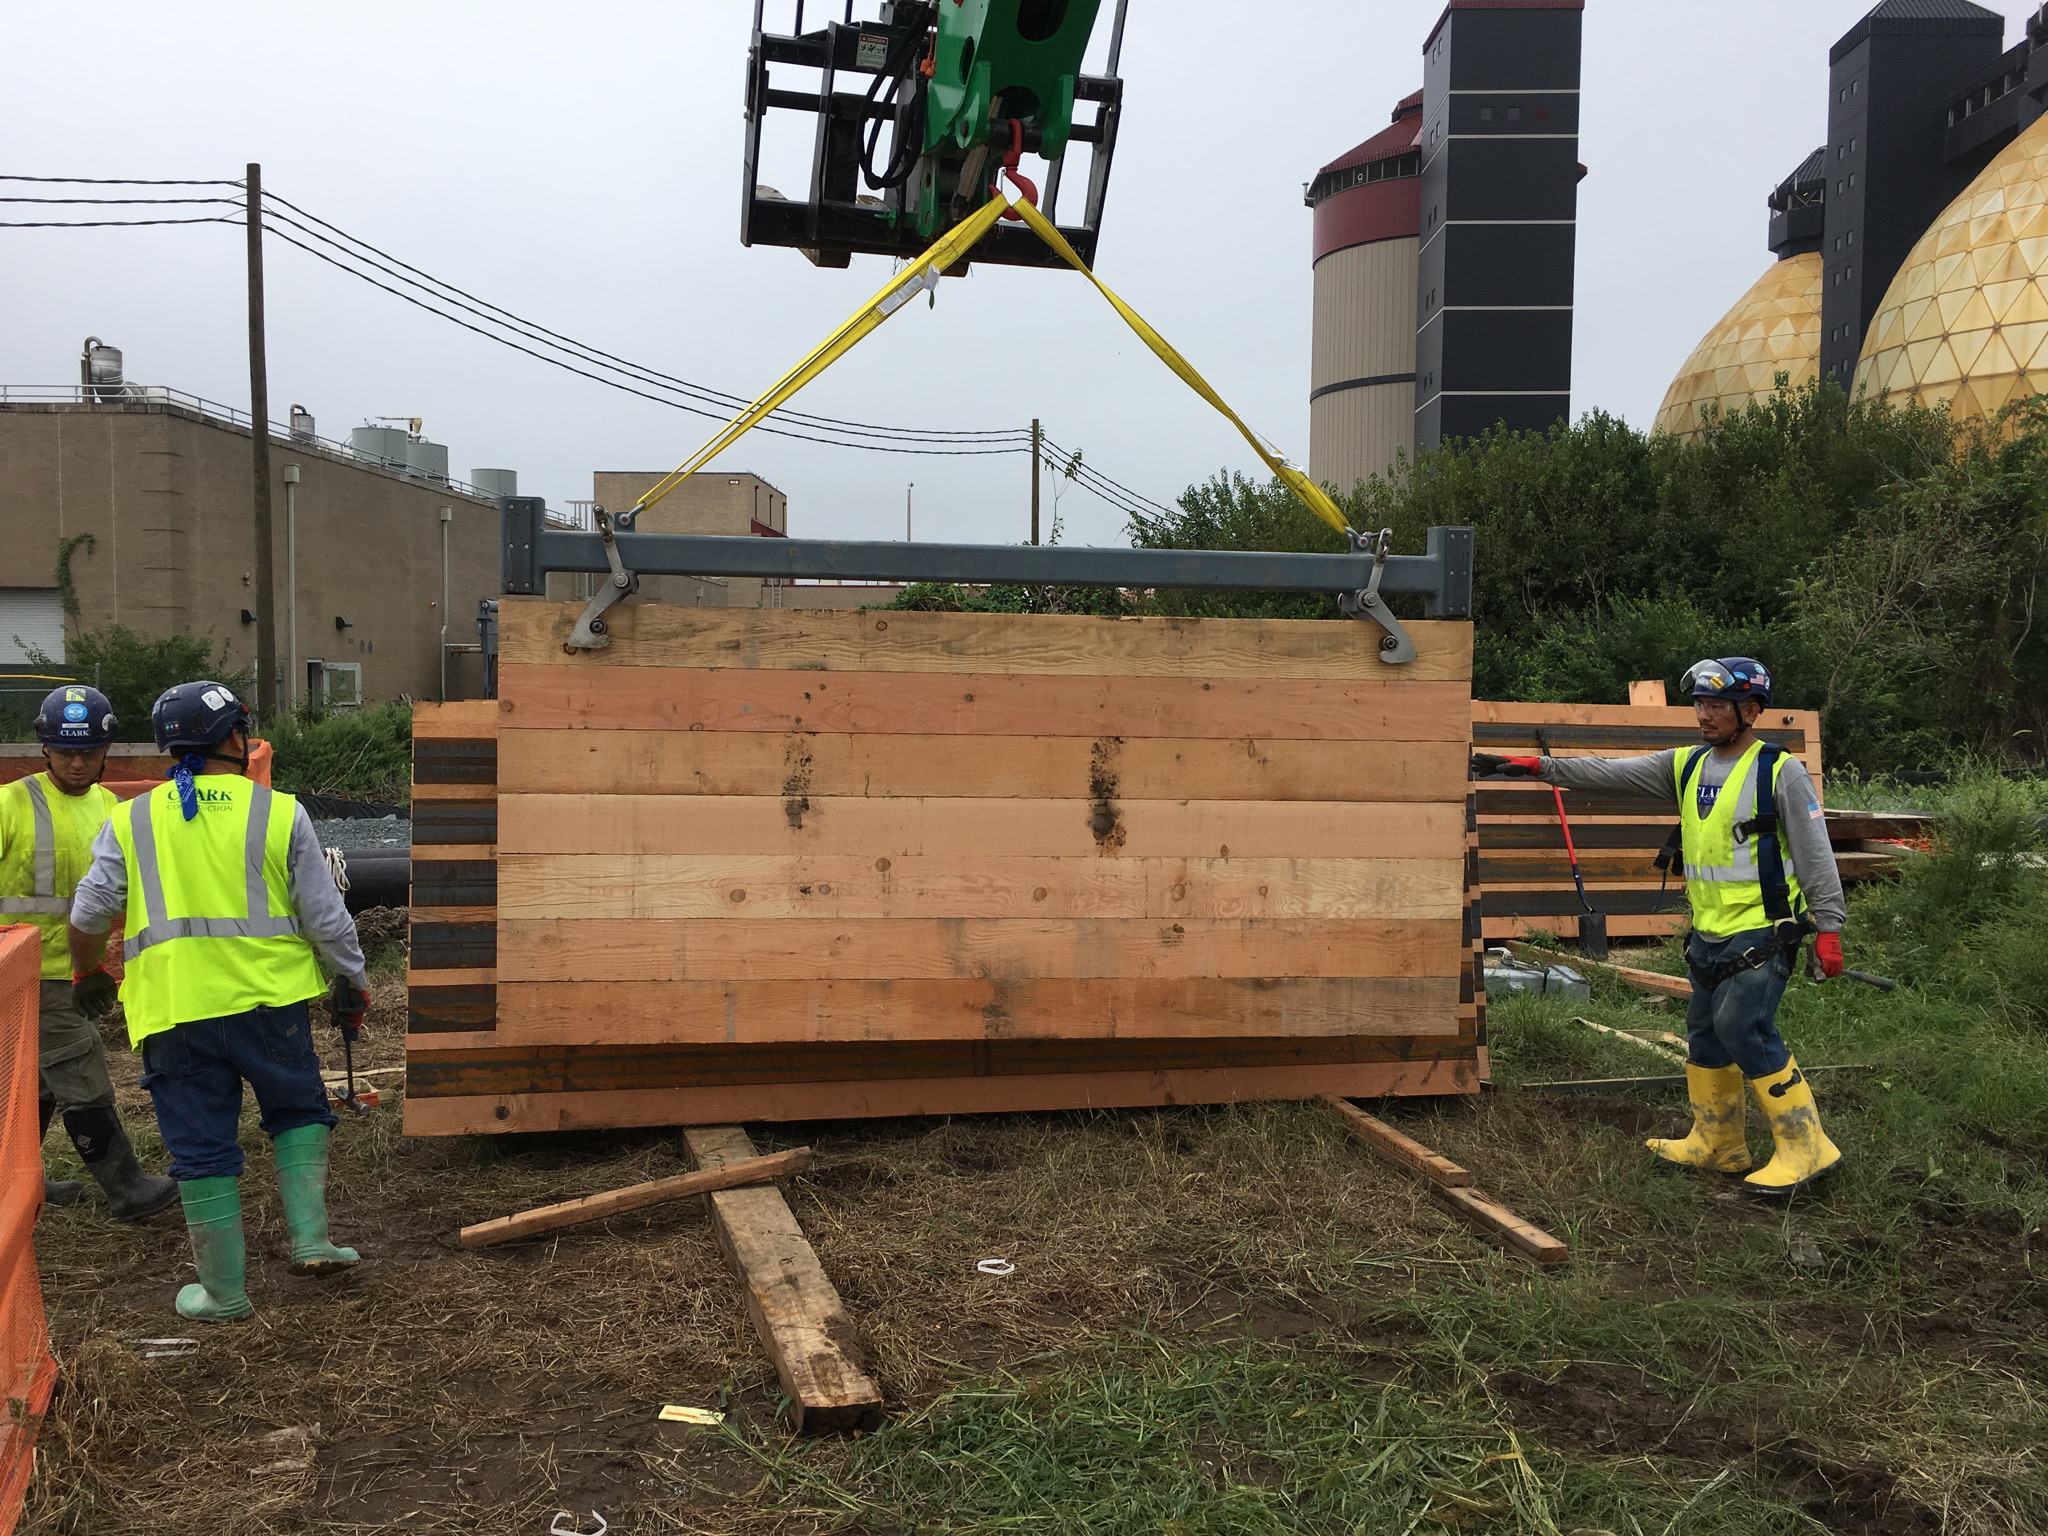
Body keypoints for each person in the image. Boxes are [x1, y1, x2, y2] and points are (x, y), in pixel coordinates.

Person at [1472, 658, 1848, 1196]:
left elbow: (1816, 854)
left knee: (1745, 1029)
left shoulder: (1777, 771)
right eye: (1699, 704)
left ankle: (1808, 1148)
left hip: (1765, 932)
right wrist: (1535, 767)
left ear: (1750, 710)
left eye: (1716, 705)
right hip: (1710, 933)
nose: (1703, 714)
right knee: (1704, 1033)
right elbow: (1607, 774)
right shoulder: (1687, 766)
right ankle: (1719, 1143)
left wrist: (1829, 926)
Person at [68, 680, 371, 1321]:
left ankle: (224, 1293)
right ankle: (313, 1241)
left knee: (200, 1146)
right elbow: (327, 918)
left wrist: (87, 969)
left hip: (174, 1012)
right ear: (235, 738)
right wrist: (353, 977)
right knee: (297, 1110)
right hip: (271, 1000)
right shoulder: (278, 812)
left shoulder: (131, 818)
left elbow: (90, 912)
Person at [0, 686, 178, 1220]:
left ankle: (13, 1182)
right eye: (64, 752)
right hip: (27, 971)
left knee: (37, 1082)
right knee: (81, 1075)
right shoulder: (10, 804)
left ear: (105, 752)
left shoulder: (111, 808)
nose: (76, 763)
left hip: (78, 971)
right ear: (44, 748)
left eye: (87, 753)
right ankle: (127, 1190)